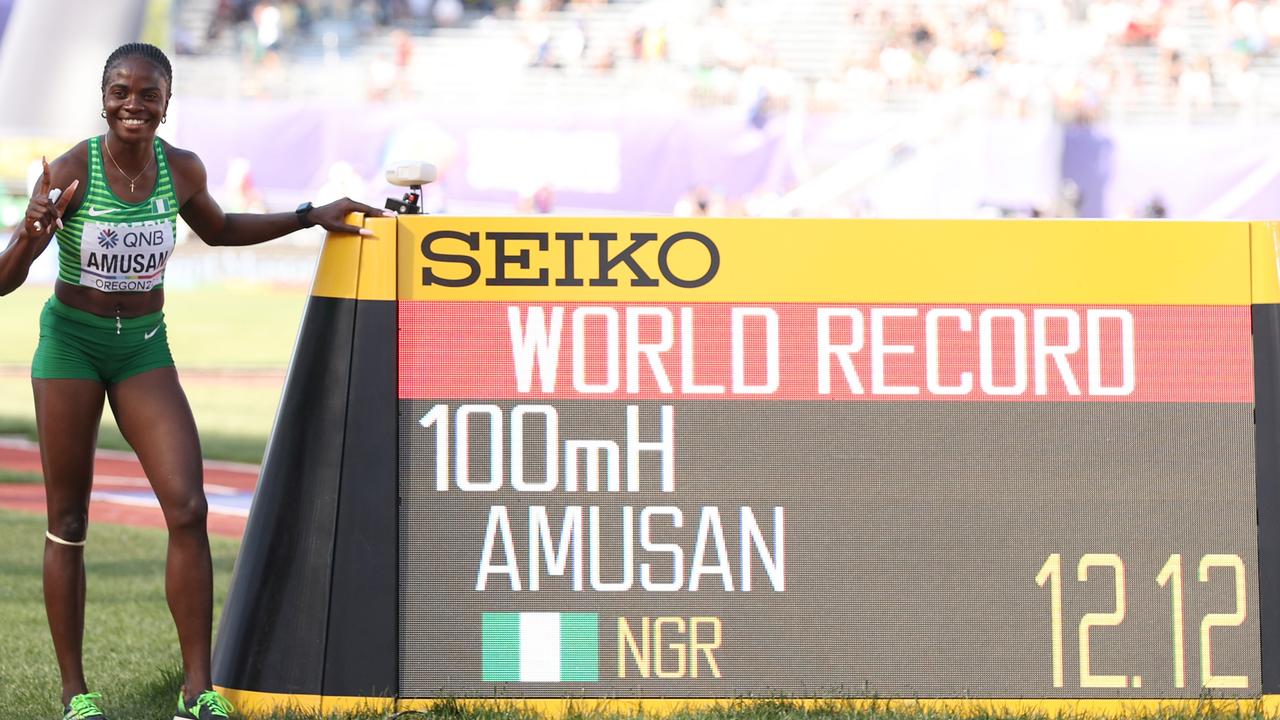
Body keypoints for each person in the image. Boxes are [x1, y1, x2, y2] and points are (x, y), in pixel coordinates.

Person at [0, 42, 390, 720]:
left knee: (189, 508)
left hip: (144, 349)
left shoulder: (181, 170)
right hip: (71, 347)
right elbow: (4, 283)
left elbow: (221, 228)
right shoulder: (70, 170)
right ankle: (74, 694)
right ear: (104, 97)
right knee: (67, 519)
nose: (133, 103)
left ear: (166, 102)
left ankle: (197, 691)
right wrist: (28, 234)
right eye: (120, 90)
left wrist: (309, 215)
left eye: (147, 92)